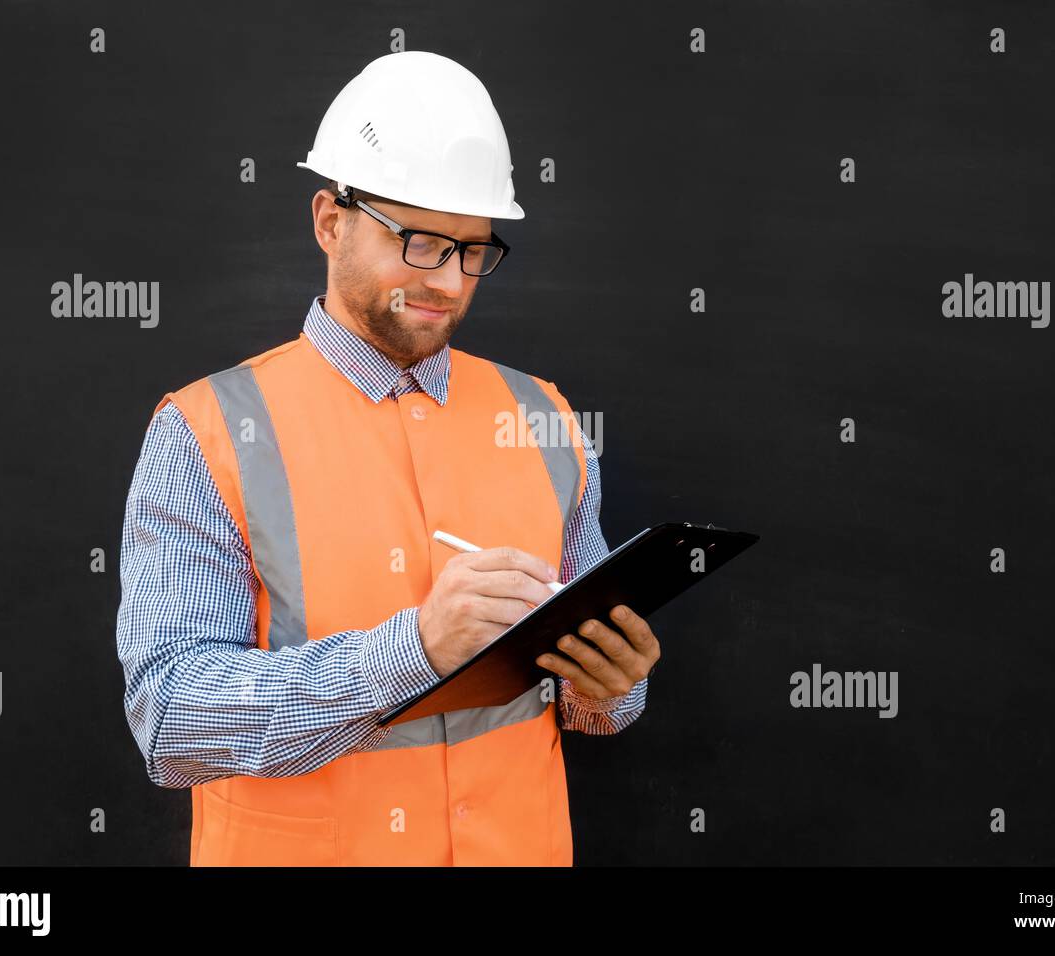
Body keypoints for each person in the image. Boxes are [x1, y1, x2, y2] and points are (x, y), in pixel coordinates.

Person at [115, 50, 660, 866]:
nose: (448, 279)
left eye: (474, 249)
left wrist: (611, 686)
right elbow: (173, 720)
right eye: (420, 241)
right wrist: (415, 651)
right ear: (330, 222)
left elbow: (586, 706)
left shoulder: (542, 417)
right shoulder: (209, 432)